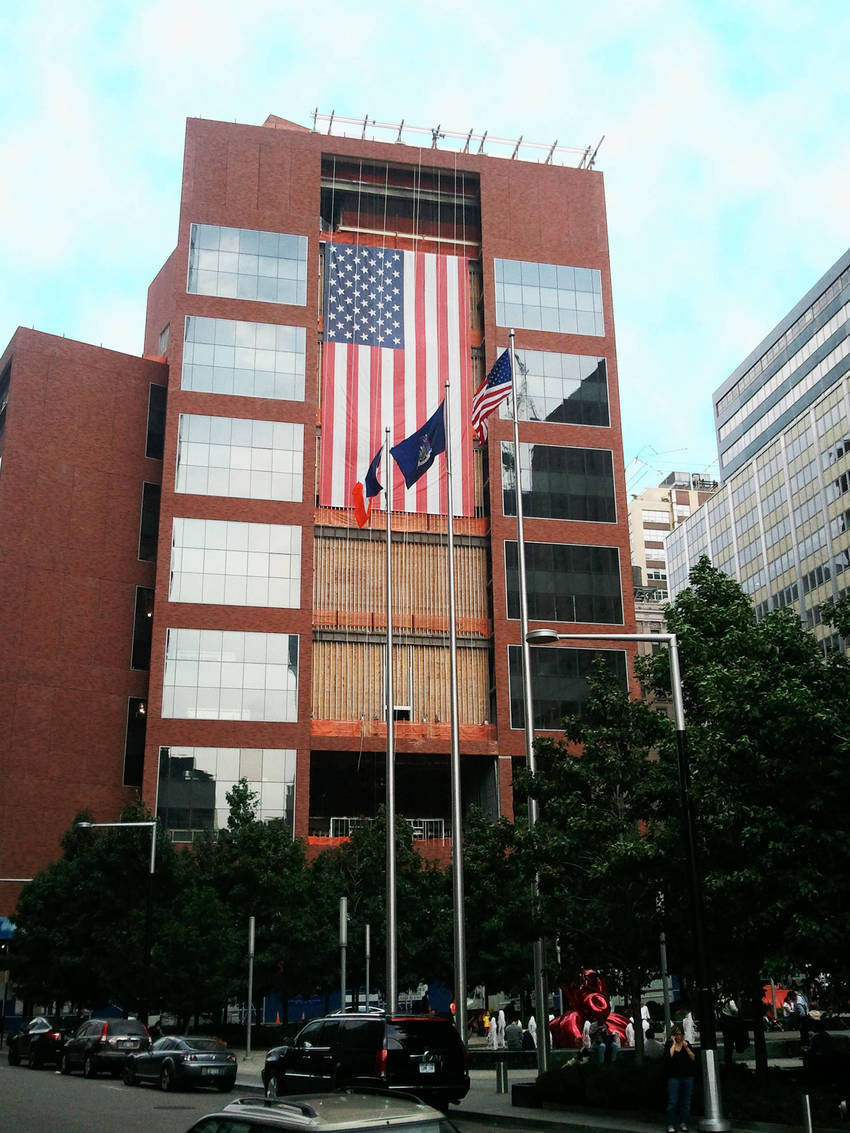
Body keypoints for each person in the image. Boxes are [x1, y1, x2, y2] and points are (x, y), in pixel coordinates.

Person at [664, 1023, 696, 1133]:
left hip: (687, 1076)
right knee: (673, 1101)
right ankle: (670, 1123)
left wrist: (686, 1047)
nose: (679, 1037)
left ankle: (683, 1122)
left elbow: (693, 1057)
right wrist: (673, 1043)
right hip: (674, 1077)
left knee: (686, 1102)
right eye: (676, 1034)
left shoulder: (687, 1044)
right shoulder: (669, 1045)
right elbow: (669, 1056)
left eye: (680, 1034)